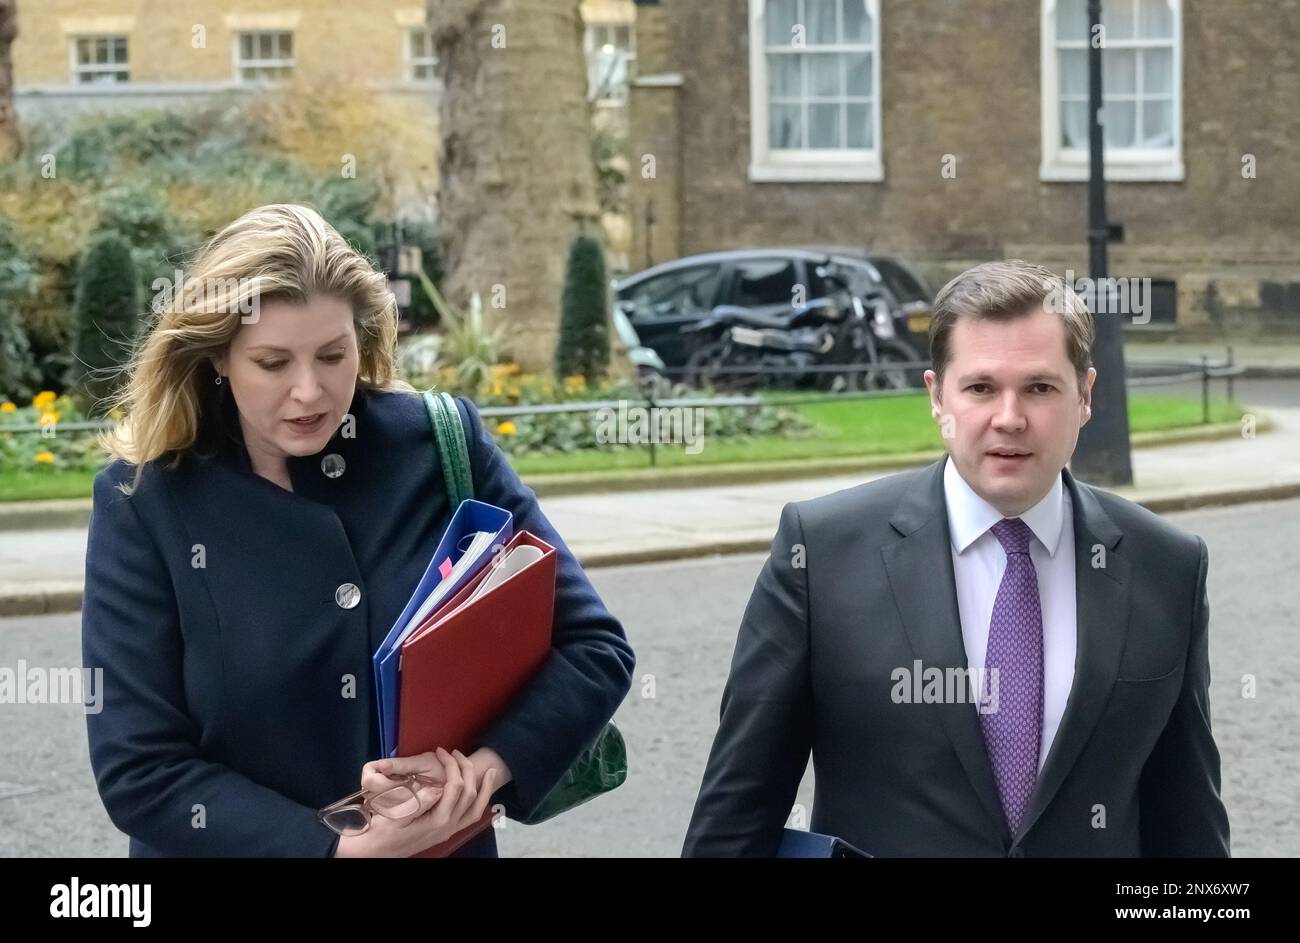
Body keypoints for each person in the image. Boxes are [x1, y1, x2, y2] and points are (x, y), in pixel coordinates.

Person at [82, 203, 635, 857]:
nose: (310, 391)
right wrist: (338, 849)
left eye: (332, 354)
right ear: (218, 358)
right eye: (273, 362)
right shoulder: (144, 499)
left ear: (362, 341)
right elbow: (140, 770)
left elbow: (595, 647)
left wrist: (479, 773)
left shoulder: (438, 443)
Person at [682, 260, 1230, 857]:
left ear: (1086, 397)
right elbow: (739, 807)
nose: (1010, 418)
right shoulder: (820, 553)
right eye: (981, 388)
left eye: (1040, 388)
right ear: (936, 396)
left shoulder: (1166, 566)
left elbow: (1187, 818)